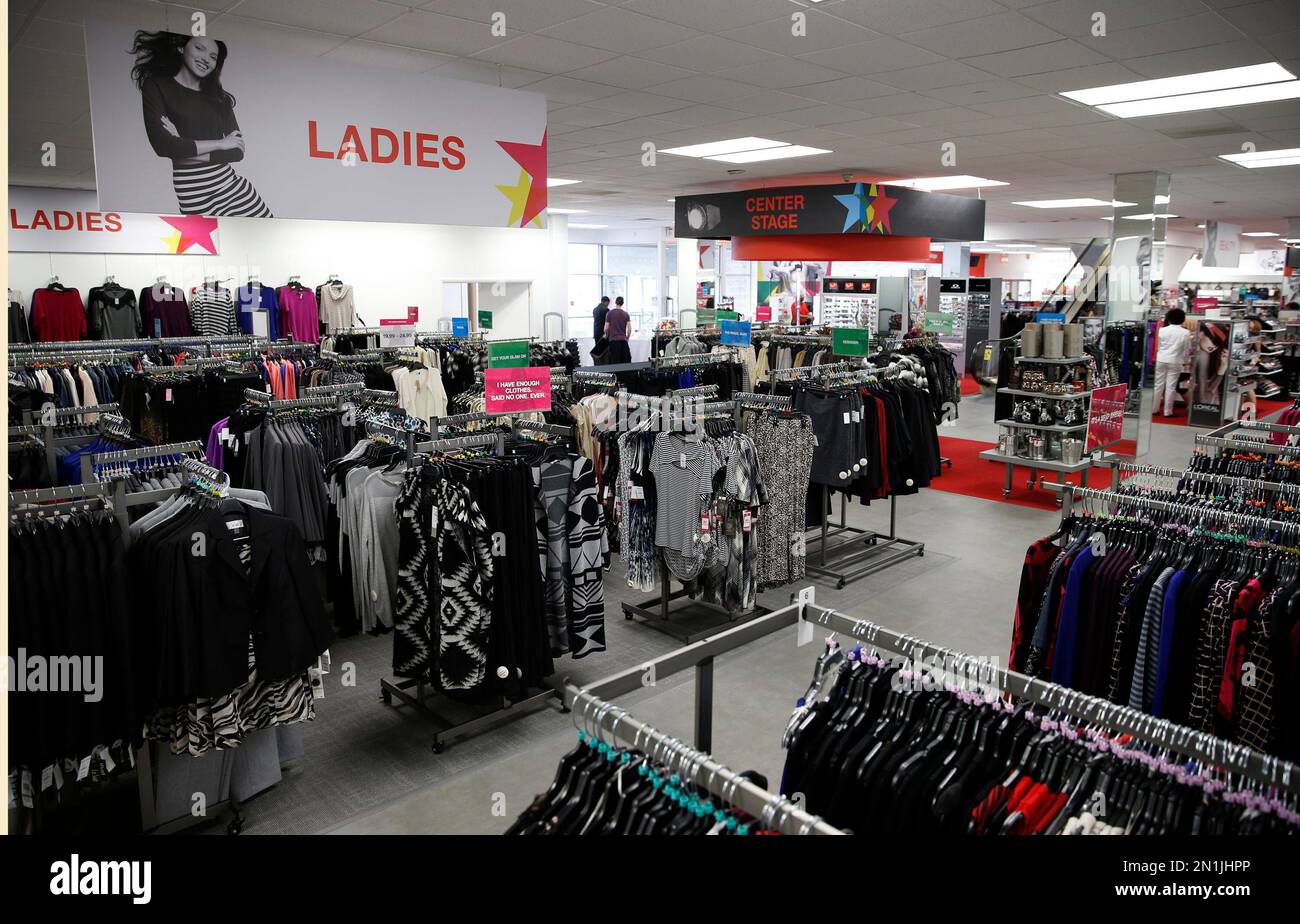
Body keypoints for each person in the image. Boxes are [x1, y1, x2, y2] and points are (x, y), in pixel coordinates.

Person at [131, 30, 273, 217]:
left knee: (278, 244)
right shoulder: (157, 86)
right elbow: (163, 145)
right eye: (199, 48)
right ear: (182, 47)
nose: (206, 59)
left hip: (233, 191)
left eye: (213, 57)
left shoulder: (219, 98)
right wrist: (220, 144)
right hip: (194, 199)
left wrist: (183, 148)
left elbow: (236, 152)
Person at [1154, 308, 1190, 417]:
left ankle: (1154, 409)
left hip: (1161, 359)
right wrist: (1185, 361)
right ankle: (1167, 412)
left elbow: (1158, 346)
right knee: (1171, 386)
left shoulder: (1161, 330)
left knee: (1158, 385)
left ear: (1168, 318)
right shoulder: (1185, 332)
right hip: (1175, 361)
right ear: (1183, 319)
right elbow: (1186, 349)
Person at [604, 296, 632, 365]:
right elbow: (629, 329)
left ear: (615, 302)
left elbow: (606, 328)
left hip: (613, 341)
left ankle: (615, 376)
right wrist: (627, 338)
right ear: (622, 303)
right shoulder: (626, 314)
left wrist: (607, 335)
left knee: (614, 363)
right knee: (625, 362)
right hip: (623, 341)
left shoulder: (609, 313)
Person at [590, 295, 610, 363]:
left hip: (596, 332)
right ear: (606, 302)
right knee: (605, 351)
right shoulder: (606, 310)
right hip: (603, 333)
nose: (608, 305)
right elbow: (608, 322)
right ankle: (604, 365)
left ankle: (597, 365)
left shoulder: (594, 309)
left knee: (598, 350)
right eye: (608, 303)